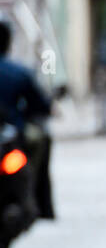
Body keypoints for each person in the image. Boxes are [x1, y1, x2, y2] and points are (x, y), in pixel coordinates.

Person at [0, 17, 54, 220]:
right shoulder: (19, 73)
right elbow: (41, 104)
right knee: (42, 140)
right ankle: (41, 199)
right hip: (13, 138)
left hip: (9, 144)